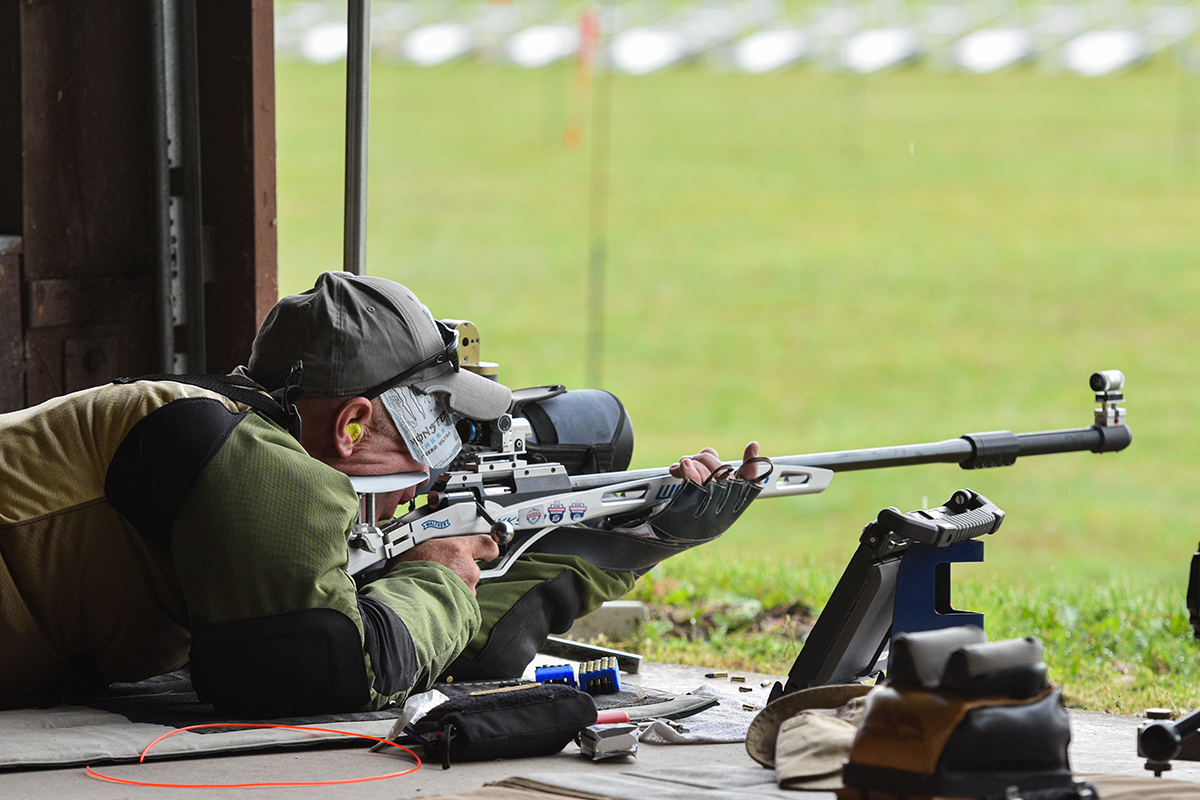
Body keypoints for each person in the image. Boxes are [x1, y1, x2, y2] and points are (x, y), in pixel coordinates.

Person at [0, 272, 766, 716]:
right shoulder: (246, 460)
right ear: (354, 421)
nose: (441, 458)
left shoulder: (249, 452)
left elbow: (470, 649)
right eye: (430, 419)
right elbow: (316, 671)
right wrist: (435, 571)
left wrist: (631, 537)